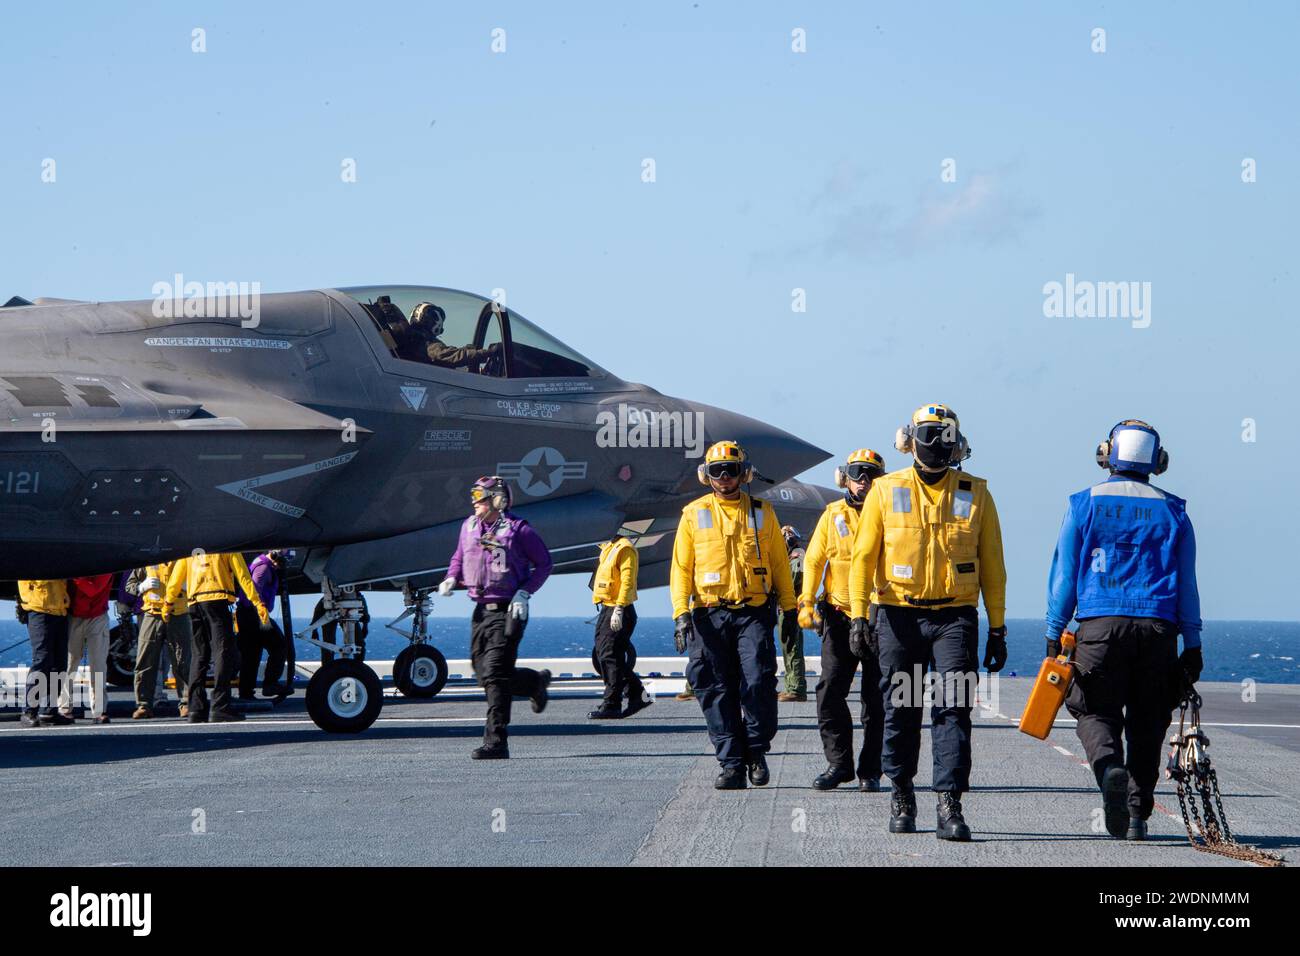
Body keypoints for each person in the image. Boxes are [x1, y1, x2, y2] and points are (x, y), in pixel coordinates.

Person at [849, 405, 1007, 840]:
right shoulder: (885, 490)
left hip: (954, 618)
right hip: (899, 616)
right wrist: (859, 616)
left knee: (953, 707)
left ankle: (949, 802)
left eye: (944, 435)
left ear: (957, 441)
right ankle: (901, 792)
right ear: (909, 439)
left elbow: (993, 563)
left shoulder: (976, 493)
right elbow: (863, 558)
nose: (935, 443)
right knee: (901, 707)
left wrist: (997, 627)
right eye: (927, 434)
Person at [1046, 420, 1202, 841]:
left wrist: (1053, 629)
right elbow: (1186, 583)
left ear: (1107, 454)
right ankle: (1137, 815)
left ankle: (1109, 768)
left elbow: (1065, 574)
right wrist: (1194, 643)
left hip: (1098, 628)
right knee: (1149, 721)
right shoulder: (1174, 510)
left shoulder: (1084, 503)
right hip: (1158, 631)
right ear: (1158, 461)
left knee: (1093, 710)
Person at [670, 440, 797, 790]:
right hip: (708, 615)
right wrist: (681, 613)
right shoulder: (694, 514)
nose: (725, 478)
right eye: (717, 471)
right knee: (714, 688)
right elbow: (681, 568)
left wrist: (790, 606)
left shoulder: (763, 511)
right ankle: (731, 764)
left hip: (753, 612)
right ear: (706, 475)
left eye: (731, 471)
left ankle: (756, 749)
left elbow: (779, 564)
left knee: (758, 680)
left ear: (745, 473)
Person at [440, 476, 554, 759]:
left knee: (495, 675)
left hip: (508, 611)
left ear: (498, 500)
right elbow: (458, 556)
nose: (474, 501)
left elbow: (544, 564)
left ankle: (496, 742)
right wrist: (451, 577)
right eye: (473, 494)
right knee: (484, 674)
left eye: (480, 495)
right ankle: (533, 683)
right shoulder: (468, 527)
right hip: (480, 611)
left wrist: (524, 593)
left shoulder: (519, 530)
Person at [802, 448, 888, 791]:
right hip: (839, 616)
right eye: (857, 473)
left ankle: (871, 770)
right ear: (845, 478)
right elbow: (813, 561)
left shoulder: (892, 516)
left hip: (881, 616)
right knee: (829, 691)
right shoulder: (832, 515)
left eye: (870, 473)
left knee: (877, 698)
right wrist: (806, 603)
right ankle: (839, 764)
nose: (864, 480)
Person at [162, 551, 270, 723]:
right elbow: (243, 575)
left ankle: (196, 708)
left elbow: (176, 576)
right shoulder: (227, 545)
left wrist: (168, 603)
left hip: (194, 604)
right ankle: (220, 705)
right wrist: (257, 602)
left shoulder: (190, 549)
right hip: (217, 601)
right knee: (223, 653)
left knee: (199, 656)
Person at [588, 531, 653, 719]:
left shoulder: (625, 548)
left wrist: (619, 607)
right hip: (607, 608)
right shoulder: (609, 547)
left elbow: (627, 580)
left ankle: (612, 704)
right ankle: (637, 693)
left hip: (619, 609)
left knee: (610, 655)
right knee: (603, 653)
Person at [127, 562, 193, 719]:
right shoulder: (148, 560)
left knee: (183, 660)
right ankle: (143, 705)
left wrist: (188, 586)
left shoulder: (183, 558)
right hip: (152, 613)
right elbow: (130, 585)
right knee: (145, 660)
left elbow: (200, 580)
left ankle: (186, 703)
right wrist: (142, 587)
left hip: (178, 614)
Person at [58, 574, 114, 724]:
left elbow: (93, 589)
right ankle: (64, 708)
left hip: (97, 617)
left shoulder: (105, 564)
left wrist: (74, 576)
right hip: (74, 615)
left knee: (98, 664)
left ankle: (99, 710)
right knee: (69, 663)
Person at [17, 579, 72, 727]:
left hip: (60, 610)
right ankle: (28, 711)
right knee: (42, 660)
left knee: (59, 664)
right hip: (38, 609)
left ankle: (49, 710)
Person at [235, 550, 289, 699]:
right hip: (254, 613)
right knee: (279, 646)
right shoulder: (264, 568)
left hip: (249, 613)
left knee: (252, 654)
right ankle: (270, 684)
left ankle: (246, 692)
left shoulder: (261, 563)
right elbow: (254, 589)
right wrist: (260, 610)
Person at [409, 301, 500, 370]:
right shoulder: (423, 341)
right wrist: (487, 353)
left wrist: (469, 349)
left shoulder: (413, 339)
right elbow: (449, 355)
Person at [777, 526, 809, 702]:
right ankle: (791, 685)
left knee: (793, 647)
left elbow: (793, 578)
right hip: (787, 607)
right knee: (788, 647)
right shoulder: (792, 556)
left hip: (792, 607)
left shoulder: (797, 555)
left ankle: (796, 688)